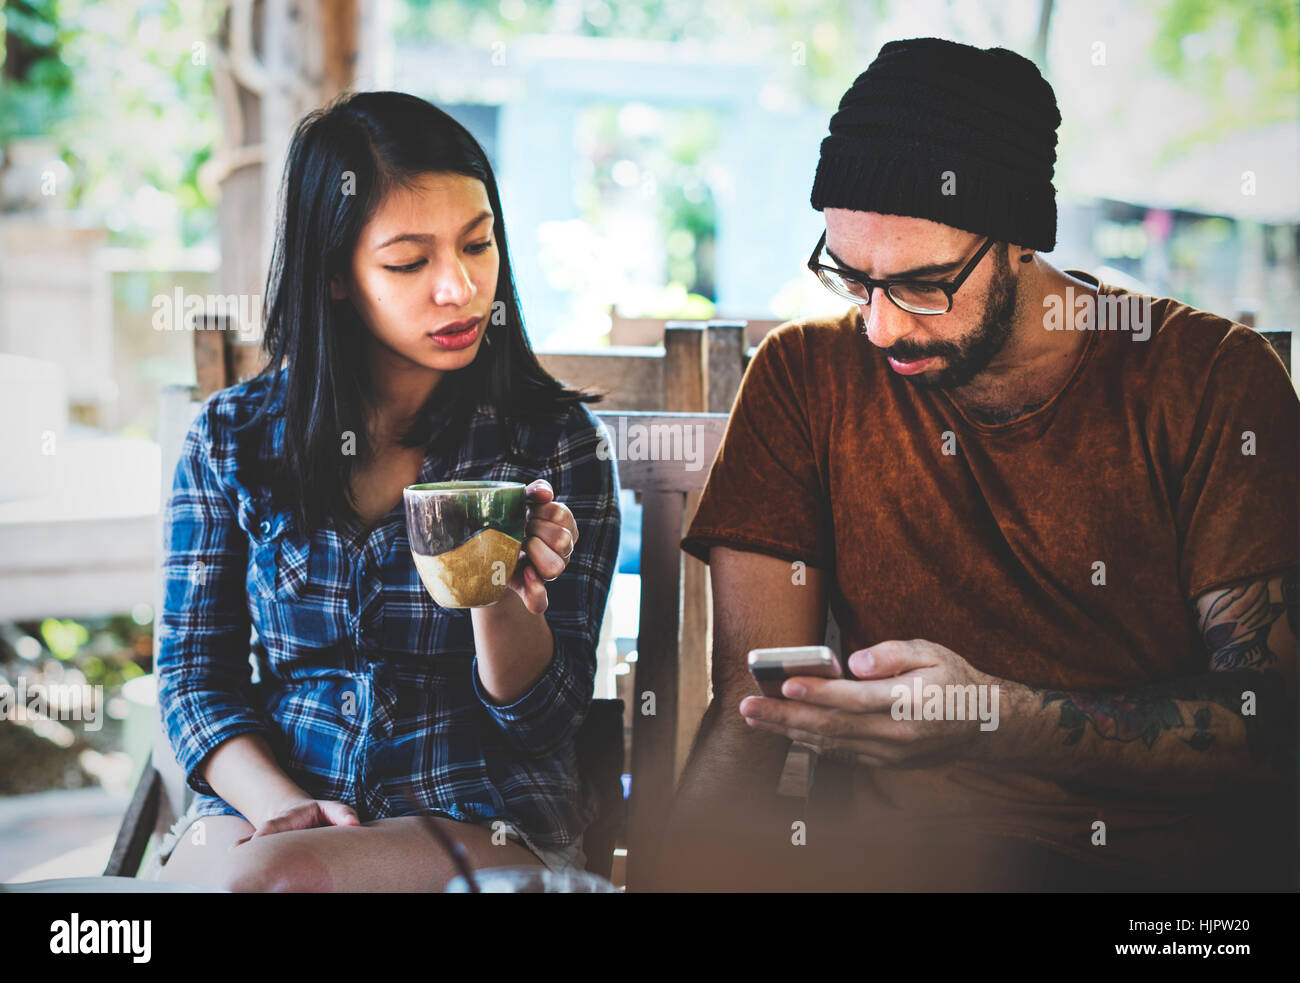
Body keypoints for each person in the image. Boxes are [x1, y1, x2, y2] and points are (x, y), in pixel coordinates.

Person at [662, 37, 1297, 892]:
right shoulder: (803, 377)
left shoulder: (1207, 378)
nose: (880, 326)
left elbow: (1274, 728)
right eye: (852, 278)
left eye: (923, 284)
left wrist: (993, 718)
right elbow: (752, 705)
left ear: (1020, 240)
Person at [155, 91, 621, 892]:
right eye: (411, 261)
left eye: (478, 245)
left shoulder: (552, 444)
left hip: (478, 810)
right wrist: (283, 808)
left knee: (265, 885)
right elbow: (195, 673)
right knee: (207, 887)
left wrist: (497, 594)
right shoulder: (234, 437)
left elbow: (543, 720)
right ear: (333, 275)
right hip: (270, 802)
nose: (460, 288)